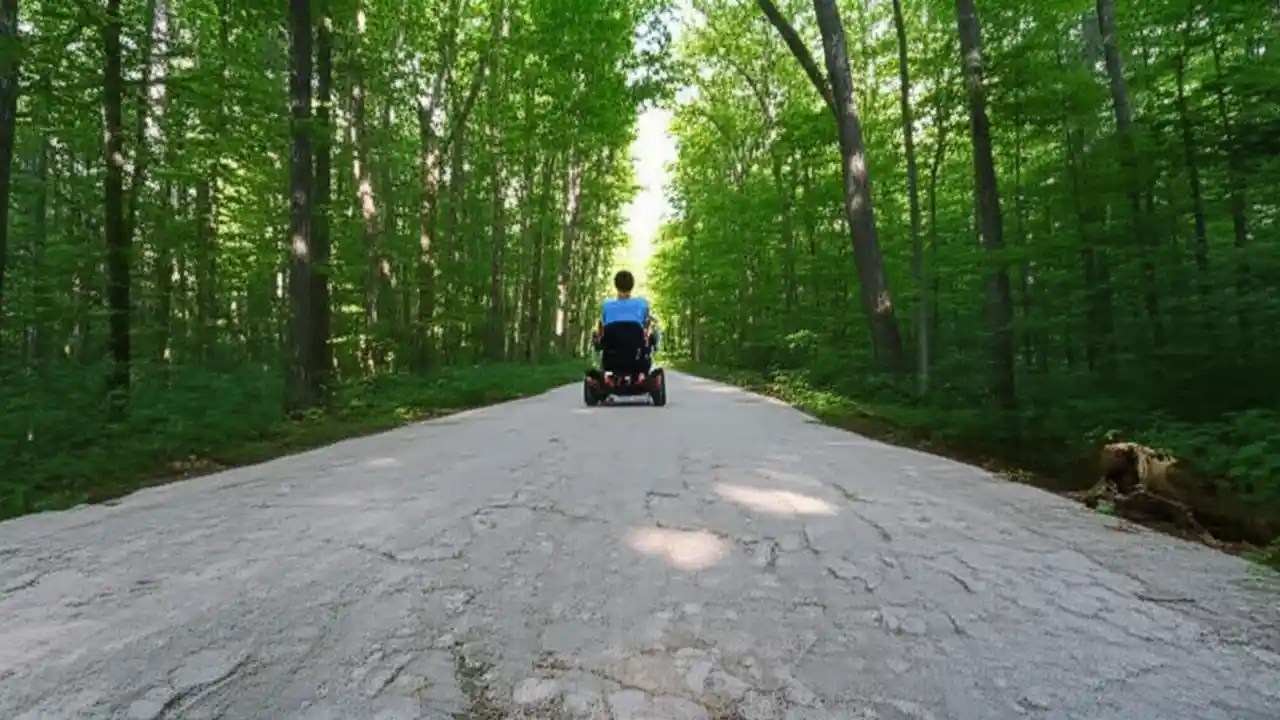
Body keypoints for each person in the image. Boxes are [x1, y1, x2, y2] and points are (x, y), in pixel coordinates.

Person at [594, 270, 660, 353]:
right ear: (632, 285)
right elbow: (646, 326)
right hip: (637, 357)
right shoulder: (642, 304)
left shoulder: (607, 305)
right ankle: (655, 350)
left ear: (616, 285)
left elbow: (602, 329)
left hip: (611, 357)